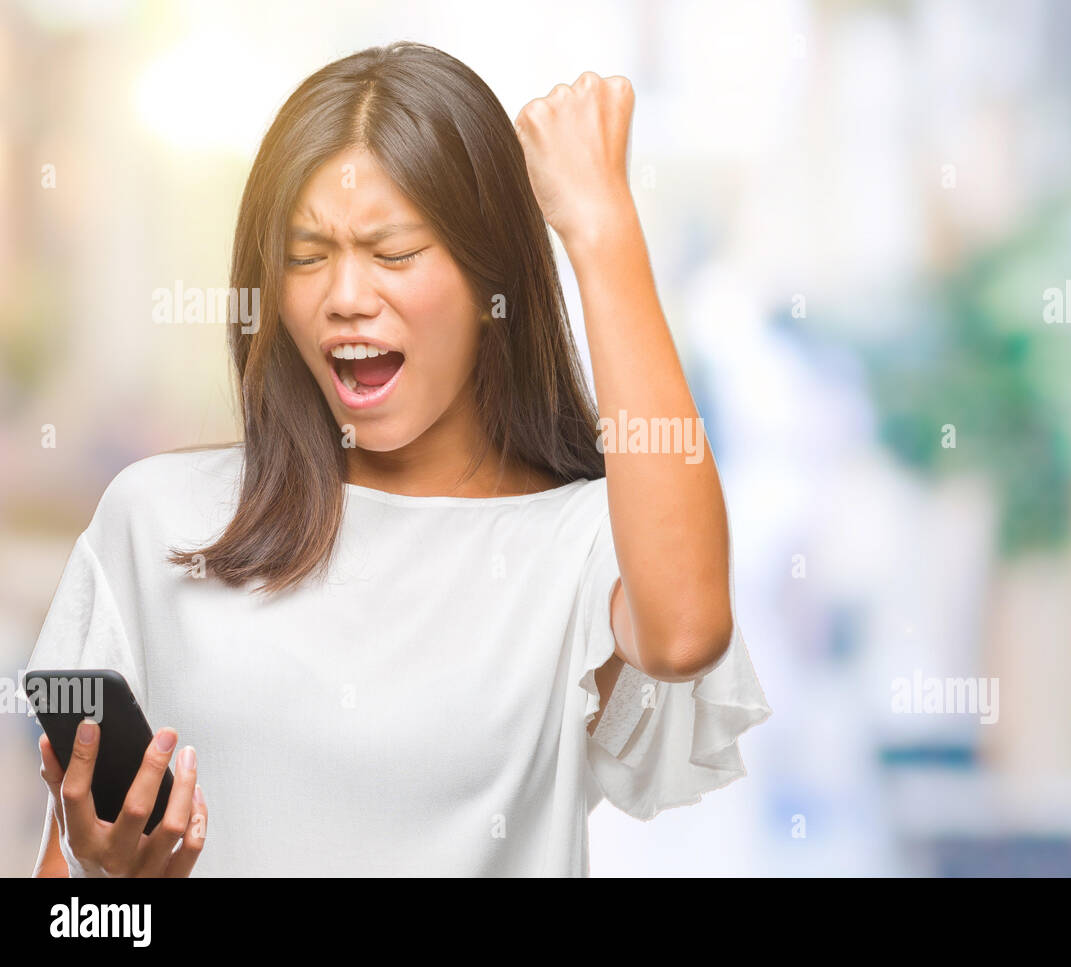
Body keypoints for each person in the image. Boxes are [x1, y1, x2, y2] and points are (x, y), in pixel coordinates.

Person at [27, 41, 770, 876]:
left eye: (393, 253)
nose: (345, 297)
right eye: (307, 256)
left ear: (493, 286)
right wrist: (115, 891)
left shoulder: (578, 545)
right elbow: (72, 909)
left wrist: (601, 228)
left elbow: (685, 630)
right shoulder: (158, 520)